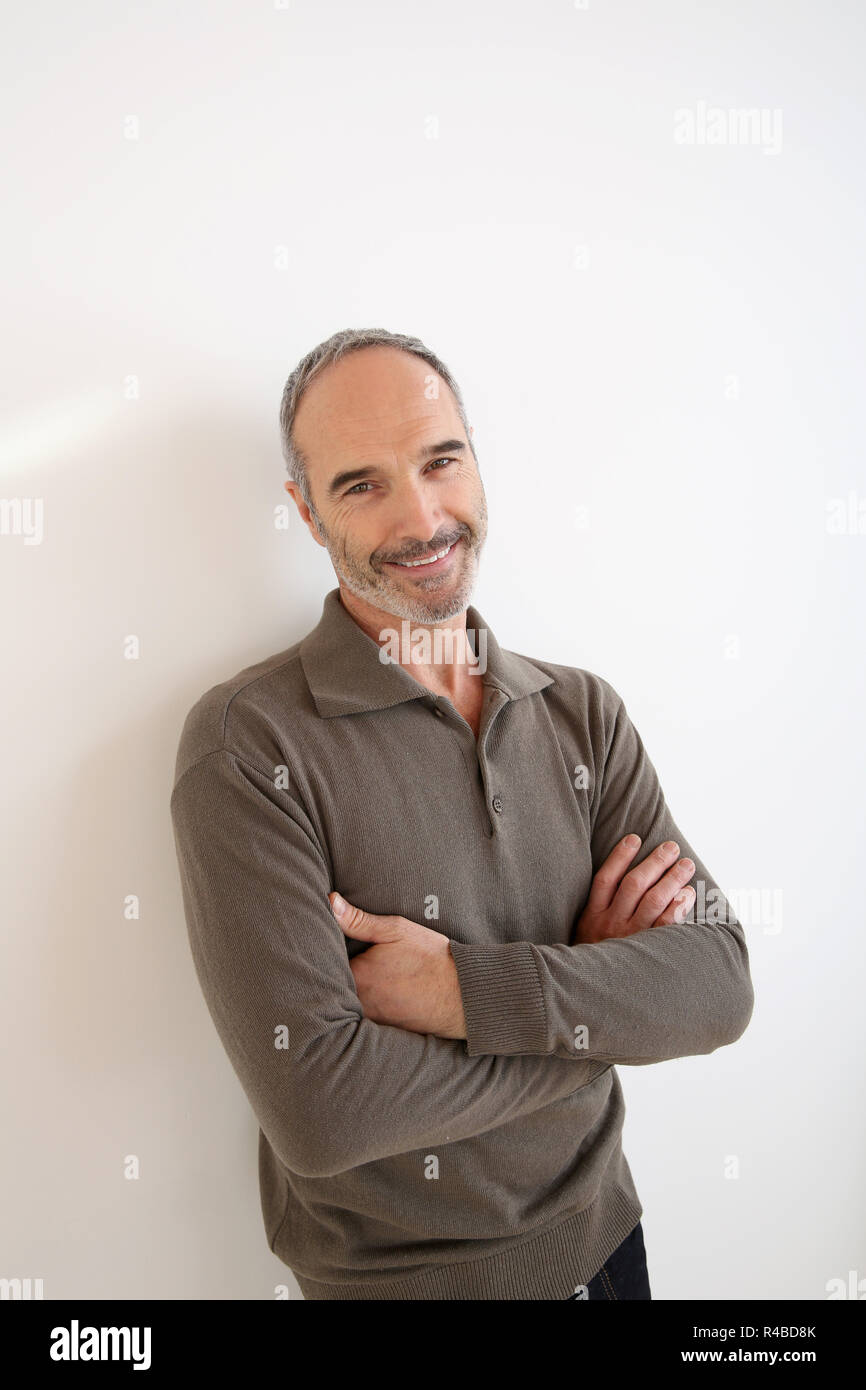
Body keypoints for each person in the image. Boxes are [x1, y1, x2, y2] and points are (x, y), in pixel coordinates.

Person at [169, 327, 754, 1300]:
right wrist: (596, 1007)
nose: (422, 514)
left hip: (611, 1250)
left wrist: (462, 994)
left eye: (441, 460)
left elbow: (715, 984)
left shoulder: (582, 712)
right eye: (361, 483)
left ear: (476, 459)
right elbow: (321, 1111)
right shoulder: (249, 747)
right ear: (306, 513)